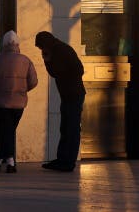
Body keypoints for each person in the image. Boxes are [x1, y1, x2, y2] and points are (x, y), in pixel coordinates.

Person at [0, 30, 38, 173]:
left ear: (3, 44)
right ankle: (4, 160)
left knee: (5, 130)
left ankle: (6, 161)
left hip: (0, 102)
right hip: (19, 103)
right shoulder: (26, 61)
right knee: (8, 130)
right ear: (17, 44)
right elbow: (33, 81)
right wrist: (22, 90)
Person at [35, 30, 85, 172]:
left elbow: (77, 70)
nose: (41, 50)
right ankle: (63, 159)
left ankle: (68, 162)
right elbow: (54, 73)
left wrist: (62, 74)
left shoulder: (62, 50)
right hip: (68, 94)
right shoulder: (56, 50)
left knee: (71, 128)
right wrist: (48, 60)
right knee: (66, 127)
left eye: (41, 47)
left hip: (73, 94)